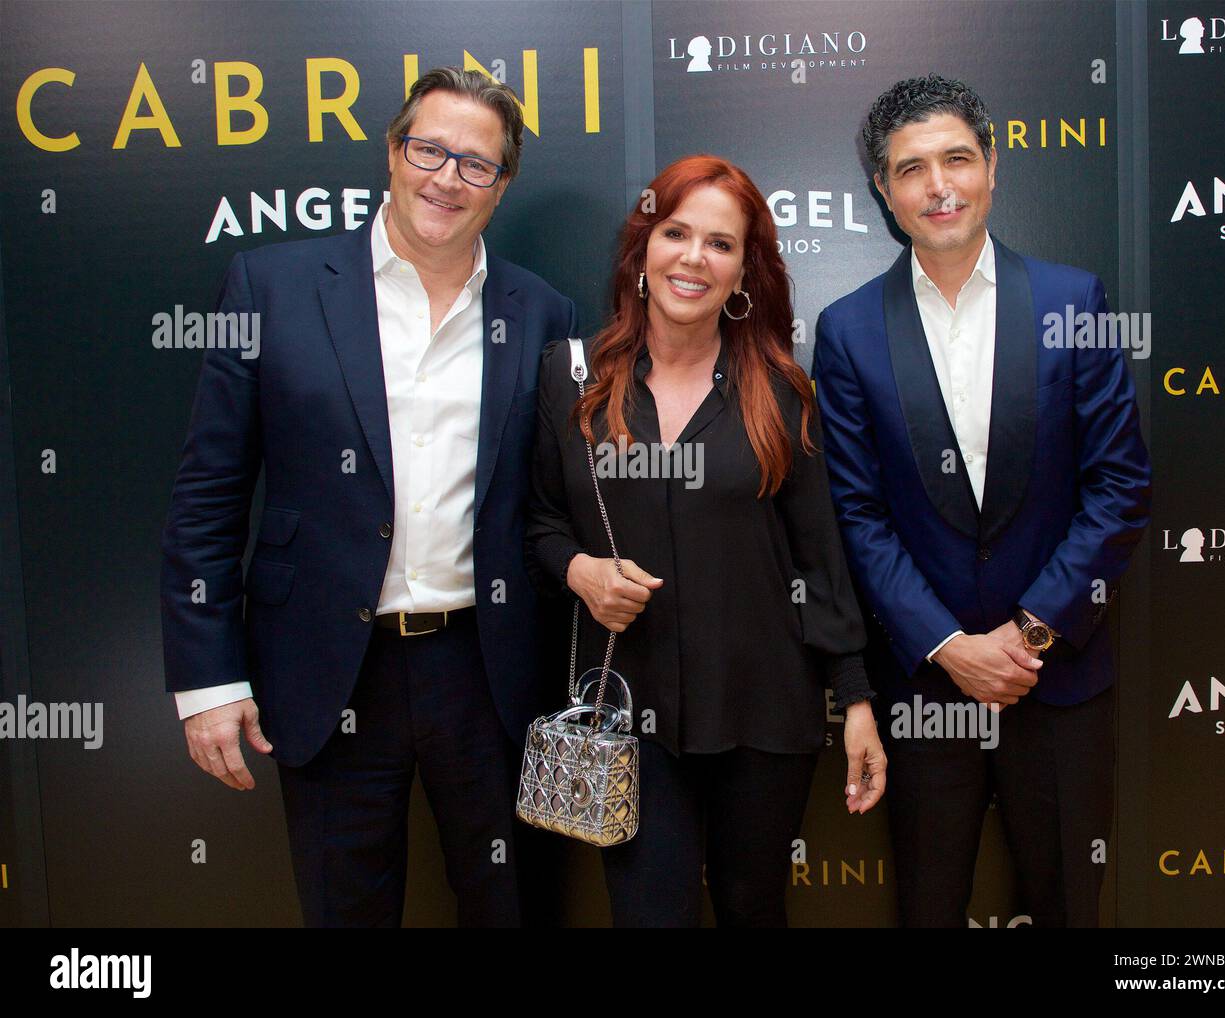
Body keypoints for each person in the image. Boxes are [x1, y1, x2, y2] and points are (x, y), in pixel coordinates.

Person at [160, 67, 576, 927]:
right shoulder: (270, 287)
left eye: (476, 163)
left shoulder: (542, 313)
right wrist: (207, 678)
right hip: (327, 668)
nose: (447, 178)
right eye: (429, 150)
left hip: (489, 671)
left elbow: (551, 505)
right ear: (392, 152)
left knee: (510, 907)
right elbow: (208, 495)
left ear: (502, 185)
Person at [814, 74, 1152, 927]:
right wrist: (950, 646)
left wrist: (1028, 634)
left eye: (957, 159)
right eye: (911, 168)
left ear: (992, 166)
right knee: (928, 905)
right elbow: (856, 514)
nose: (939, 186)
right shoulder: (849, 330)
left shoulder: (1073, 301)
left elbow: (1119, 485)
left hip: (1058, 677)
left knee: (1070, 903)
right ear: (883, 190)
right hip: (925, 688)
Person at [526, 154, 886, 928]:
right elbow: (539, 522)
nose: (694, 258)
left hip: (765, 712)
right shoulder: (571, 377)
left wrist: (855, 700)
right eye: (676, 233)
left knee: (754, 910)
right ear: (642, 250)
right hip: (628, 714)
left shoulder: (782, 392)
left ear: (743, 272)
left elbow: (820, 558)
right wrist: (580, 570)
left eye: (720, 244)